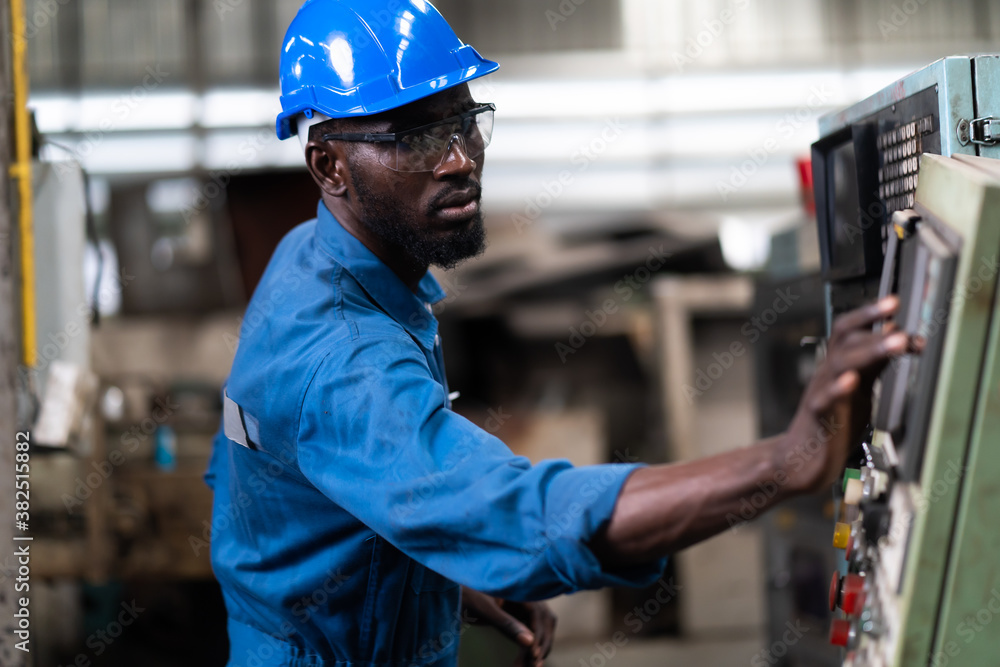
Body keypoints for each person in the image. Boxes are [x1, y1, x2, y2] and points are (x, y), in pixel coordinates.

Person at [204, 1, 911, 665]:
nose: (459, 159)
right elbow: (524, 516)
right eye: (416, 137)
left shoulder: (314, 254)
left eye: (464, 120)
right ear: (329, 167)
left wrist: (437, 571)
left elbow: (300, 484)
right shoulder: (341, 355)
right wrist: (788, 460)